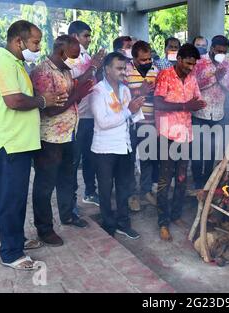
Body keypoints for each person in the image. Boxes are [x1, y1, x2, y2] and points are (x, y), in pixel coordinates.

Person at [0, 20, 66, 270]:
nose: (38, 47)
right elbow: (15, 101)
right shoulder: (2, 63)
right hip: (7, 145)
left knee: (16, 198)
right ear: (19, 41)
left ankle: (16, 241)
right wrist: (43, 100)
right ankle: (10, 253)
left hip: (18, 144)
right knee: (9, 200)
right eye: (35, 42)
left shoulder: (16, 63)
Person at [30, 35, 93, 246]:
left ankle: (67, 215)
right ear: (61, 50)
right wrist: (77, 95)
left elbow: (75, 89)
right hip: (50, 139)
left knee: (67, 179)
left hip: (69, 135)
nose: (75, 59)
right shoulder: (42, 72)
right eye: (74, 54)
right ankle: (45, 229)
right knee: (45, 185)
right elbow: (50, 110)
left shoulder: (65, 70)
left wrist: (94, 68)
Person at [154, 43, 206, 241]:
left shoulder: (192, 79)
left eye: (193, 65)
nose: (191, 68)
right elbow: (158, 102)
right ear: (179, 59)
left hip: (186, 135)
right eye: (187, 63)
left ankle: (175, 215)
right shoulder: (165, 75)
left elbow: (197, 100)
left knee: (183, 177)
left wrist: (198, 104)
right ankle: (163, 222)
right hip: (167, 134)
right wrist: (185, 105)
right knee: (165, 180)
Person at [90, 52, 145, 239]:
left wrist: (137, 108)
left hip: (124, 146)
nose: (123, 72)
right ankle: (108, 224)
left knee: (124, 187)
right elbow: (103, 122)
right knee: (105, 189)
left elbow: (133, 117)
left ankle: (123, 223)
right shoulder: (98, 91)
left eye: (125, 68)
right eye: (119, 68)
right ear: (107, 69)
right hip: (105, 148)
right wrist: (129, 111)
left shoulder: (125, 90)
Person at [68, 21, 106, 210]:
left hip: (92, 115)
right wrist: (93, 66)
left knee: (91, 157)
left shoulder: (86, 56)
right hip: (76, 117)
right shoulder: (69, 58)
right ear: (75, 37)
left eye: (90, 36)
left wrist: (98, 67)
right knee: (73, 161)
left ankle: (90, 192)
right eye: (86, 36)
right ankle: (71, 200)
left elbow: (95, 80)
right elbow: (74, 84)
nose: (89, 39)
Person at [192, 35, 229, 190]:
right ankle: (196, 183)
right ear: (212, 48)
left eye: (224, 51)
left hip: (218, 115)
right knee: (197, 152)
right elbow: (193, 86)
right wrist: (215, 77)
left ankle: (207, 182)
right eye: (218, 50)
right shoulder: (199, 62)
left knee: (211, 151)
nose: (221, 53)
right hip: (200, 114)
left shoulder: (227, 64)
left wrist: (222, 79)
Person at [125, 40, 160, 210]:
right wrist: (141, 91)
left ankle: (146, 191)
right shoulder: (125, 71)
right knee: (129, 160)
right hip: (131, 123)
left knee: (148, 159)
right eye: (143, 60)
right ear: (134, 58)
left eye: (149, 59)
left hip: (150, 122)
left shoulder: (155, 71)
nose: (147, 62)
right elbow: (120, 95)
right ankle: (132, 195)